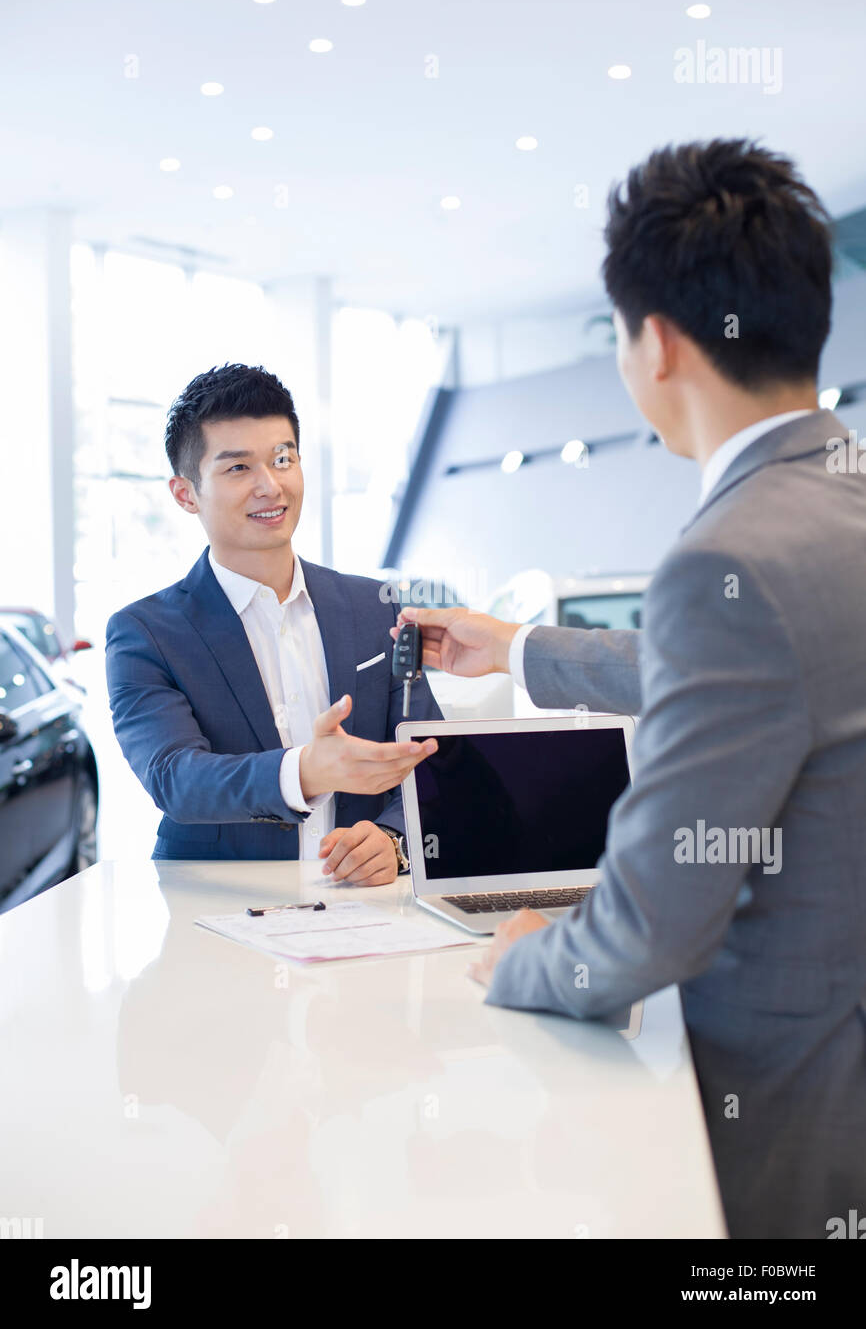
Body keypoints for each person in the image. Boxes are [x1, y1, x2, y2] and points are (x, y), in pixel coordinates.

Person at [394, 139, 866, 1238]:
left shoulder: (729, 553)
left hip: (785, 1112)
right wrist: (518, 650)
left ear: (653, 343)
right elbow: (760, 677)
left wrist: (524, 958)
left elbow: (644, 928)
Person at [106, 363, 440, 882]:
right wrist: (304, 771)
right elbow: (175, 778)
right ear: (185, 493)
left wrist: (394, 839)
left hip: (365, 908)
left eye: (283, 459)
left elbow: (431, 751)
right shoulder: (145, 633)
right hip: (215, 907)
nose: (270, 486)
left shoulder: (377, 606)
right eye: (238, 468)